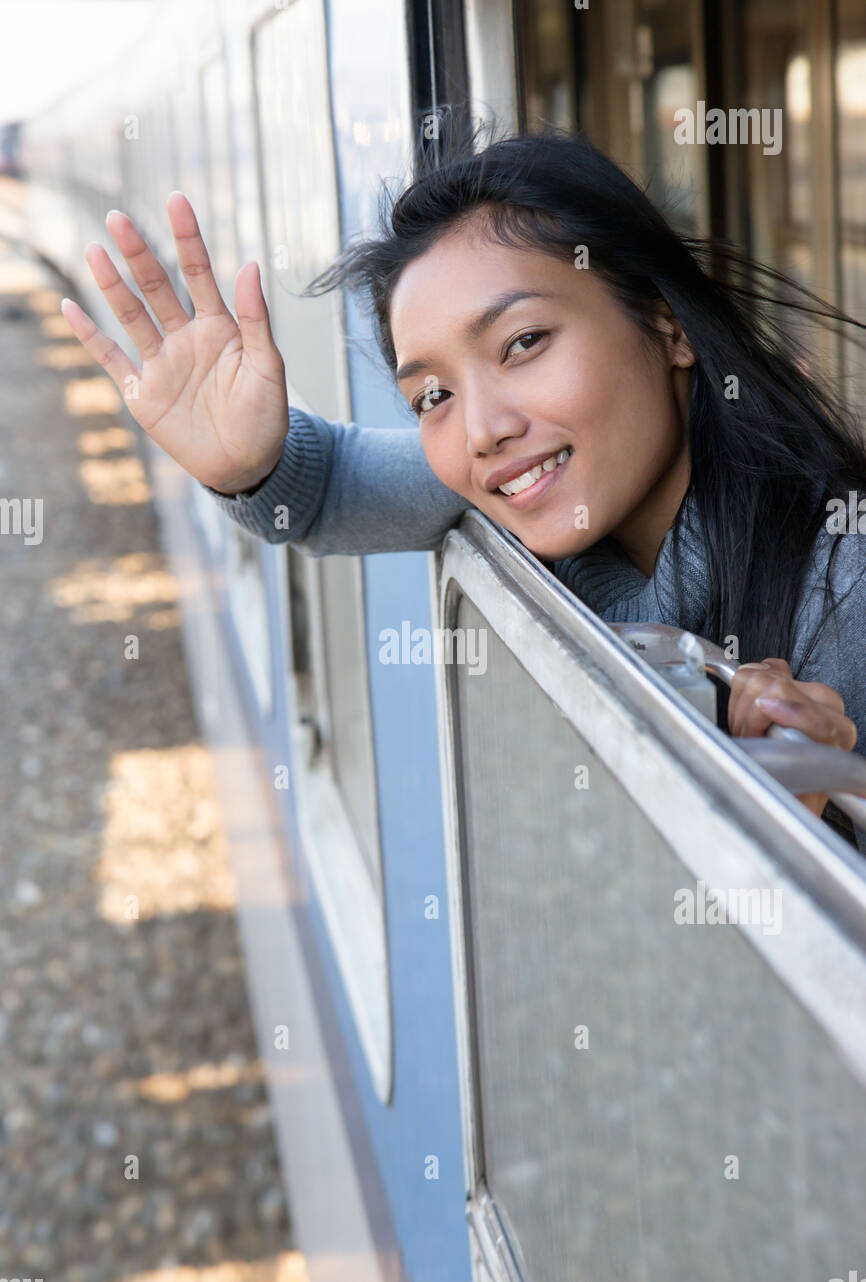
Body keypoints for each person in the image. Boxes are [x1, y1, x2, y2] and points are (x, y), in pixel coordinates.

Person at [59, 125, 866, 849]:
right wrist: (246, 464)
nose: (481, 429)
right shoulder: (522, 475)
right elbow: (328, 486)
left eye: (522, 342)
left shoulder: (843, 581)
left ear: (668, 324)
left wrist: (811, 833)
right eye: (432, 396)